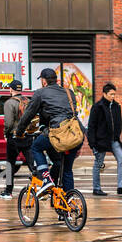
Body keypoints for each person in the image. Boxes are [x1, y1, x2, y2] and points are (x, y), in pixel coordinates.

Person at [18, 67, 80, 196]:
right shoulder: (69, 92)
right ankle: (68, 206)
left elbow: (28, 114)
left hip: (58, 134)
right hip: (75, 135)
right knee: (67, 170)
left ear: (44, 81)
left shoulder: (40, 93)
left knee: (36, 147)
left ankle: (46, 179)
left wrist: (19, 131)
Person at [88, 82, 122, 196]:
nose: (113, 97)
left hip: (114, 140)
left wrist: (118, 136)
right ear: (104, 94)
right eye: (111, 94)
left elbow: (118, 123)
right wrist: (92, 143)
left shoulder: (116, 106)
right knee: (98, 163)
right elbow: (91, 126)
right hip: (101, 140)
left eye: (114, 94)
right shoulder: (97, 107)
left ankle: (121, 187)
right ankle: (96, 188)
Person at [1, 79, 28, 200]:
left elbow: (8, 123)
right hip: (28, 136)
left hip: (14, 137)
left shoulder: (9, 103)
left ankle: (8, 191)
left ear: (11, 89)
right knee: (33, 164)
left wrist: (6, 134)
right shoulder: (28, 101)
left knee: (10, 164)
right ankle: (41, 187)